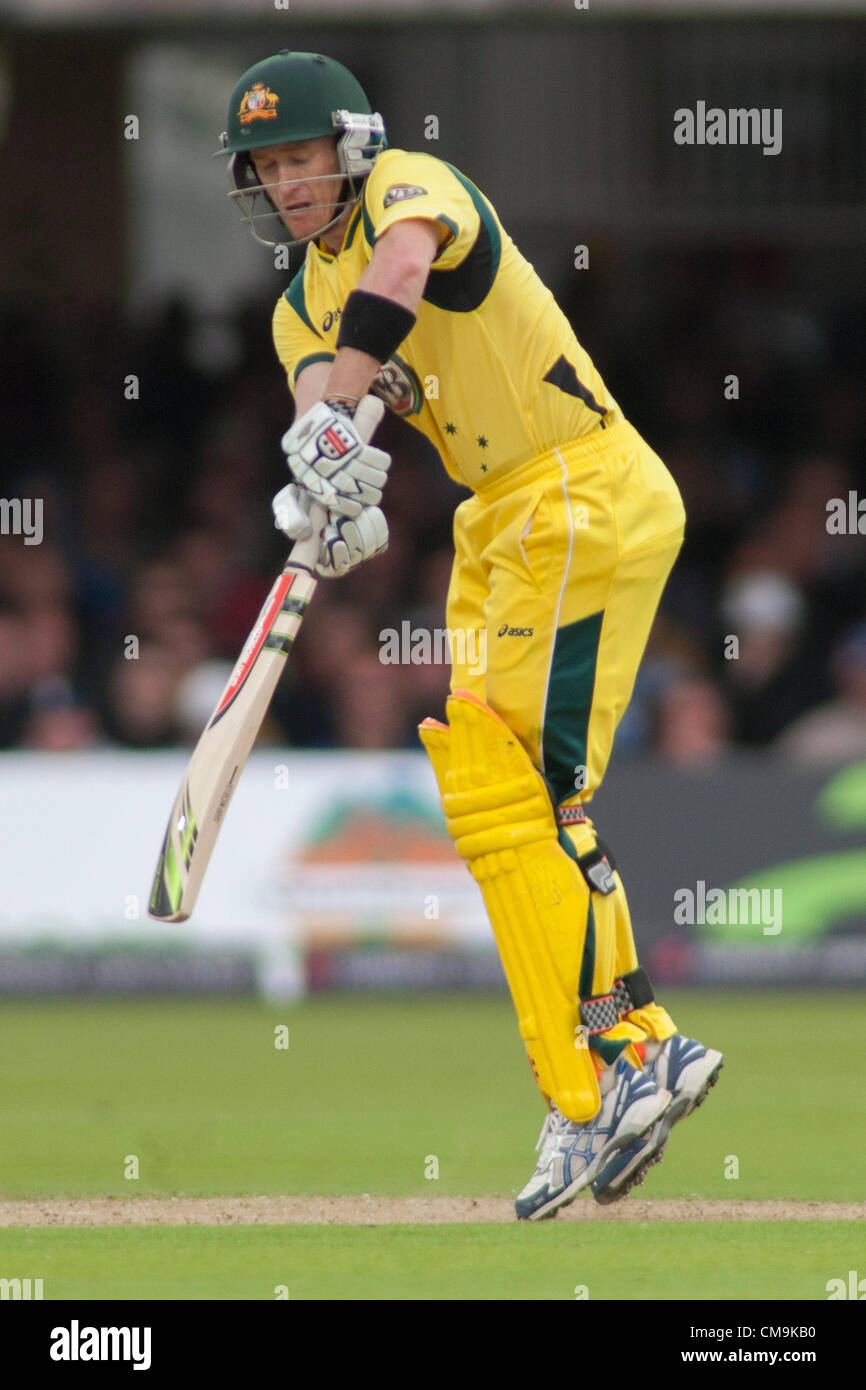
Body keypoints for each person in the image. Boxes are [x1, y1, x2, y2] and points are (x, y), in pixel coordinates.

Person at [218, 49, 723, 1220]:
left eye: (299, 157)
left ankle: (633, 1042)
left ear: (345, 147)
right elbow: (314, 408)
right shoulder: (298, 301)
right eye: (267, 167)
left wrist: (340, 422)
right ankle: (587, 1080)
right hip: (497, 519)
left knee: (536, 793)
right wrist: (321, 500)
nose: (286, 184)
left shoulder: (409, 182)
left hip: (578, 485)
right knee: (494, 797)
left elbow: (399, 272)